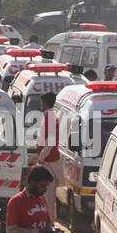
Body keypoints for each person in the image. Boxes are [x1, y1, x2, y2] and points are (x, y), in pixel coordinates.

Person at [36, 92, 63, 220]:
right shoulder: (50, 116)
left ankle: (49, 222)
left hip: (49, 161)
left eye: (42, 103)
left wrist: (41, 158)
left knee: (47, 196)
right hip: (48, 160)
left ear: (45, 103)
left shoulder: (50, 117)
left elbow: (50, 142)